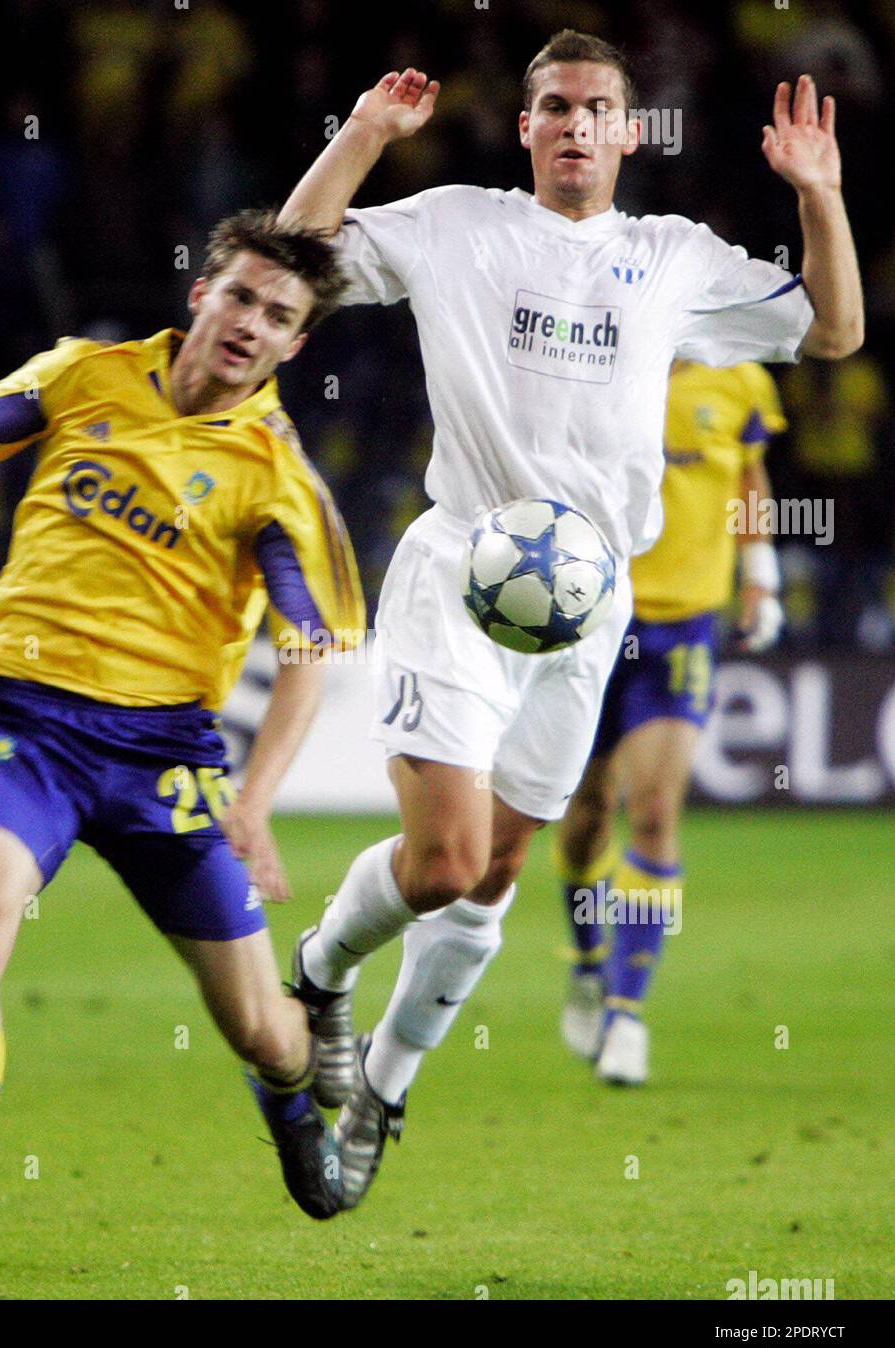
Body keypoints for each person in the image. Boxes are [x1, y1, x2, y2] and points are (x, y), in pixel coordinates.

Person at [279, 30, 863, 1209]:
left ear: (629, 133)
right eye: (552, 106)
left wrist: (819, 197)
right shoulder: (456, 225)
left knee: (493, 870)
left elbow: (833, 330)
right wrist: (360, 137)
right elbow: (294, 259)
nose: (574, 125)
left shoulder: (672, 258)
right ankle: (319, 969)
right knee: (441, 858)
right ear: (526, 129)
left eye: (597, 108)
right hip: (459, 567)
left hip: (590, 603)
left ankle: (382, 1092)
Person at [0, 210, 366, 1283]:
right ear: (201, 294)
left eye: (279, 316)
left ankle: (298, 1097)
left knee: (262, 1030)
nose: (251, 324)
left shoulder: (278, 478)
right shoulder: (84, 375)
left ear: (297, 346)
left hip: (169, 764)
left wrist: (253, 802)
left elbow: (310, 653)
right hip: (29, 733)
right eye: (241, 296)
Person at [558, 358, 788, 1085]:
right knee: (586, 813)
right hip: (590, 619)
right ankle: (590, 961)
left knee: (654, 813)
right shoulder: (599, 363)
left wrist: (762, 579)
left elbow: (749, 477)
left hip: (682, 629)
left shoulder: (740, 378)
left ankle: (627, 1014)